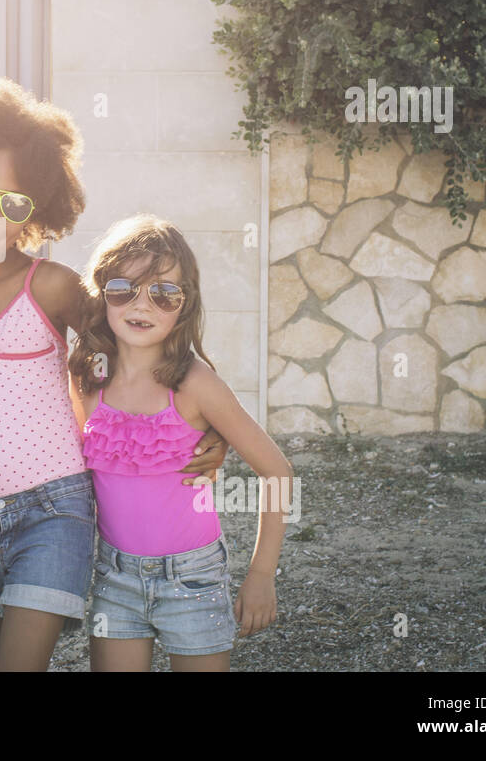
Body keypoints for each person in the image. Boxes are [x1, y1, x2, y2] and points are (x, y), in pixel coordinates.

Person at [0, 76, 230, 670]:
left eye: (12, 203)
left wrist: (205, 423)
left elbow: (135, 351)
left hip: (54, 508)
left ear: (35, 211)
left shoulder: (49, 285)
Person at [70, 214, 293, 671]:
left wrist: (261, 574)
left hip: (193, 579)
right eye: (123, 288)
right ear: (102, 295)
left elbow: (277, 472)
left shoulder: (195, 384)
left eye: (164, 293)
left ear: (184, 305)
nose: (142, 304)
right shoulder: (87, 381)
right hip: (115, 577)